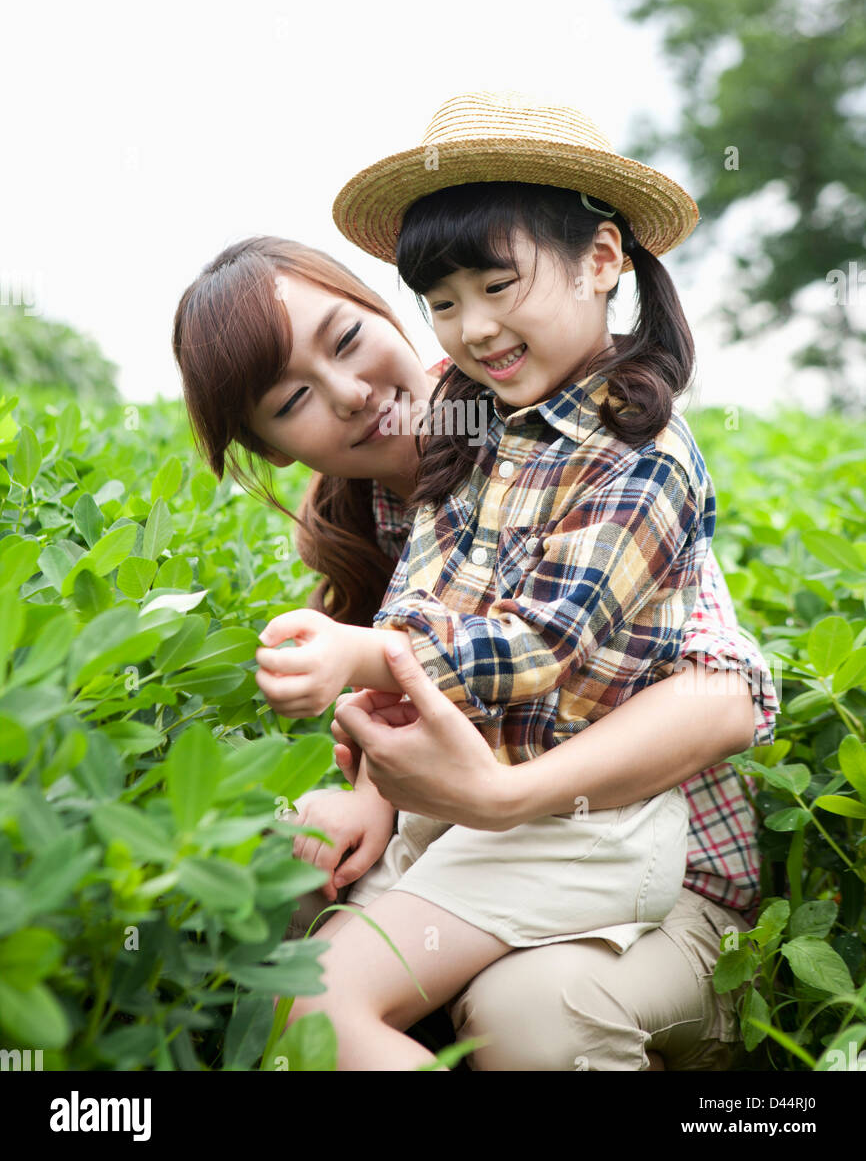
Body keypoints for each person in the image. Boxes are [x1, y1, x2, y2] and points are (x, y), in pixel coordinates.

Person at [171, 124, 778, 1067]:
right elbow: (416, 655)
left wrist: (498, 794)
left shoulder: (599, 441)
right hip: (476, 829)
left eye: (347, 338)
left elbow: (724, 695)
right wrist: (372, 788)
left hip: (657, 855)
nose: (348, 394)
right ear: (271, 450)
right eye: (290, 402)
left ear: (380, 312)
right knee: (275, 897)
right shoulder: (384, 507)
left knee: (520, 1015)